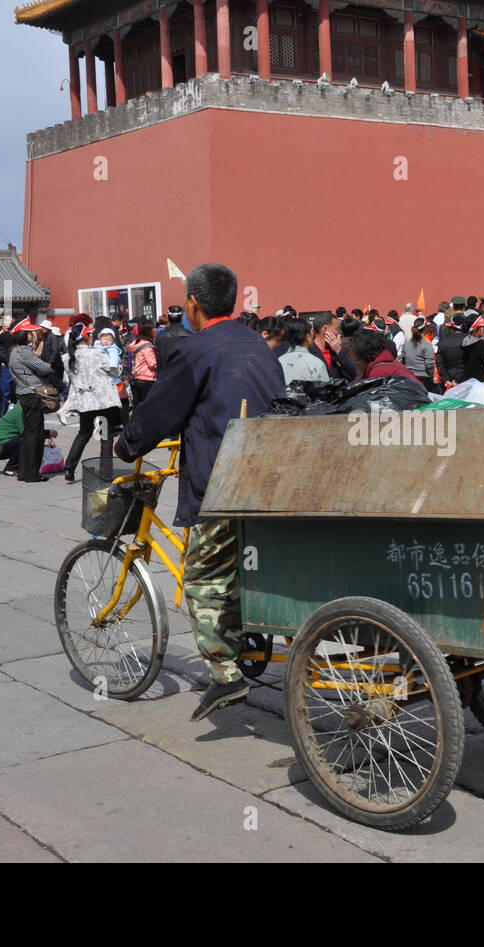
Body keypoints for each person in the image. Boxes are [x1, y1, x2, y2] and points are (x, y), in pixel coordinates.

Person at [115, 262, 284, 721]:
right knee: (246, 566)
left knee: (202, 577)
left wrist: (127, 443)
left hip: (223, 481)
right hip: (272, 477)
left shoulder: (195, 350)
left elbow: (158, 413)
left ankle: (226, 675)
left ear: (193, 303)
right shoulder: (258, 344)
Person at [60, 325, 124, 482]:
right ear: (85, 337)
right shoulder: (97, 353)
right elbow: (114, 370)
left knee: (83, 433)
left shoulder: (67, 357)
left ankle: (69, 467)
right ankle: (106, 472)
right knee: (106, 436)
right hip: (103, 400)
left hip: (85, 401)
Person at [7, 318, 54, 483]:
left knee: (29, 435)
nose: (33, 334)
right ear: (23, 334)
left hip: (24, 394)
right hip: (33, 395)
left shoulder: (13, 350)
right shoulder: (23, 351)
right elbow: (45, 367)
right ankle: (32, 473)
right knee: (36, 435)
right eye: (30, 332)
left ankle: (24, 471)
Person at [0, 402, 57, 476]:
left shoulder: (25, 408)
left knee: (32, 440)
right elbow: (26, 432)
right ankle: (11, 468)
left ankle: (23, 466)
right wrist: (46, 433)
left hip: (6, 443)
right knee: (27, 441)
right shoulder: (20, 410)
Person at [276, 317, 329, 385]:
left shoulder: (278, 362)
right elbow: (325, 391)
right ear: (307, 337)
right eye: (311, 333)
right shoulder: (317, 363)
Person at [398, 312, 438, 390]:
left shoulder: (407, 343)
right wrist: (432, 376)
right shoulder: (426, 344)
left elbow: (404, 359)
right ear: (426, 328)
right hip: (424, 380)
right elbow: (429, 365)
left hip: (410, 378)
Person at [127, 319, 159, 405]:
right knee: (148, 406)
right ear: (148, 331)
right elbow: (152, 364)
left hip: (135, 379)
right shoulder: (147, 346)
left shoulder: (136, 343)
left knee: (138, 406)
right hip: (147, 380)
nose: (155, 330)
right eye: (153, 328)